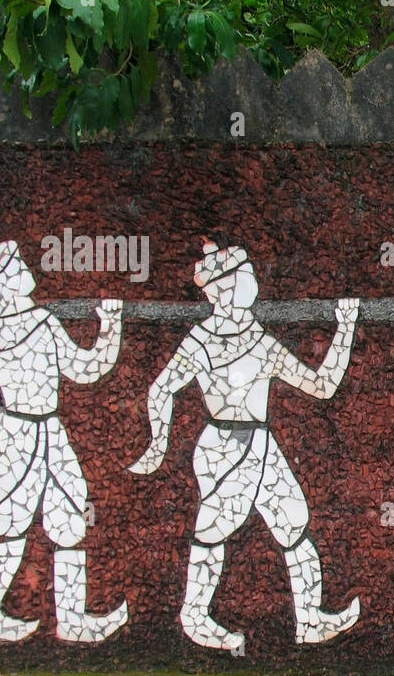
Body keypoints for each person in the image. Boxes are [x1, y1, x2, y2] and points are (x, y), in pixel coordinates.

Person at [129, 241, 360, 653]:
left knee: (293, 519)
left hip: (261, 441)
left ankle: (309, 620)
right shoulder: (200, 342)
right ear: (219, 289)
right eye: (241, 275)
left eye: (249, 272)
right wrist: (157, 443)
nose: (250, 281)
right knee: (215, 527)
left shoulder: (262, 340)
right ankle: (194, 615)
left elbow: (321, 387)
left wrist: (346, 329)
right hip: (224, 444)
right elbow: (161, 388)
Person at [0, 240, 128, 642]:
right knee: (13, 523)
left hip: (50, 431)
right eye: (15, 265)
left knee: (70, 519)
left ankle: (72, 620)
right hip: (13, 434)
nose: (25, 269)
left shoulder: (44, 319)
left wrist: (111, 325)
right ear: (0, 280)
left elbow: (84, 367)